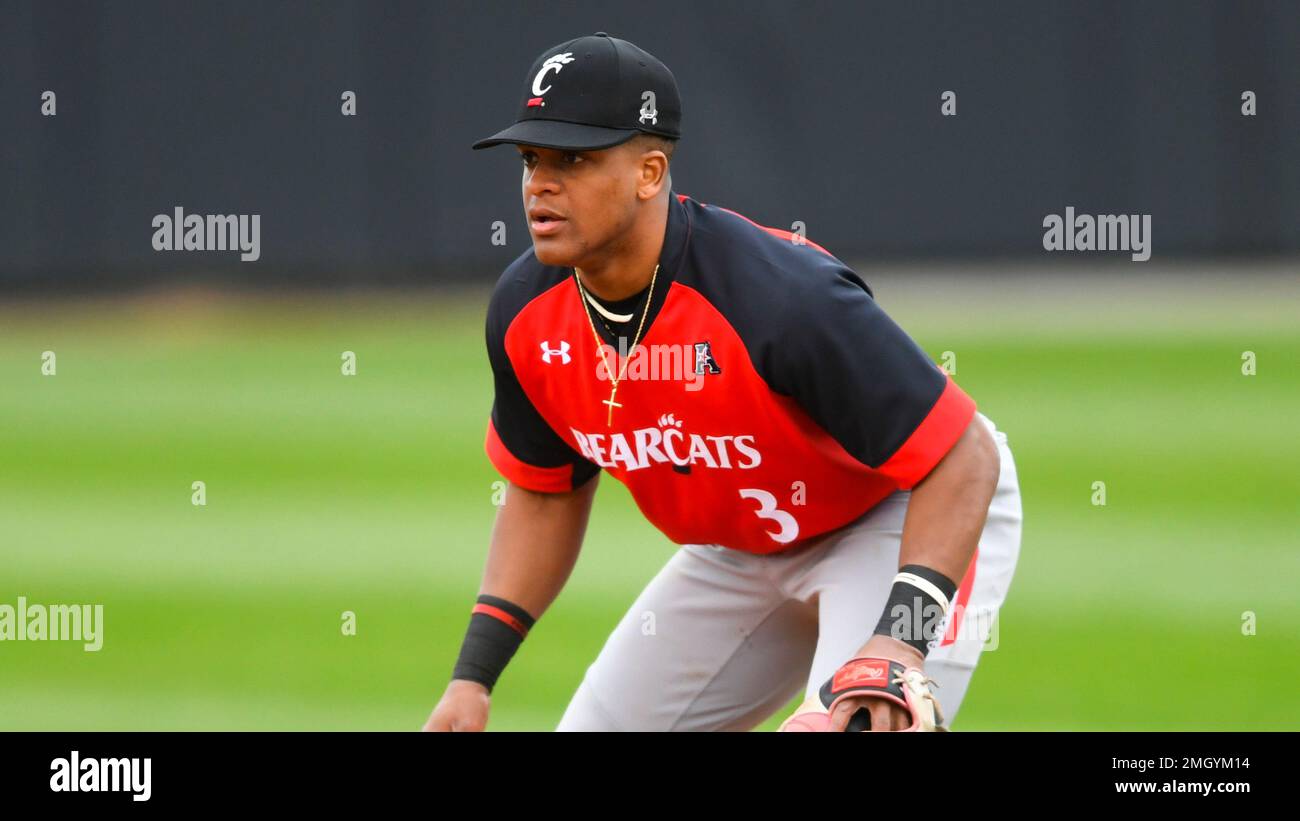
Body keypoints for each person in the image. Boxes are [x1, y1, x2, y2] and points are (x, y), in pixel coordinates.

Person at [423, 32, 1022, 732]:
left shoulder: (779, 297)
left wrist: (899, 639)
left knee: (862, 722)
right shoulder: (526, 313)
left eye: (573, 158)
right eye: (531, 158)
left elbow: (963, 456)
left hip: (894, 519)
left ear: (650, 172)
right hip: (740, 551)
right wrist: (474, 676)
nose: (539, 184)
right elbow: (545, 495)